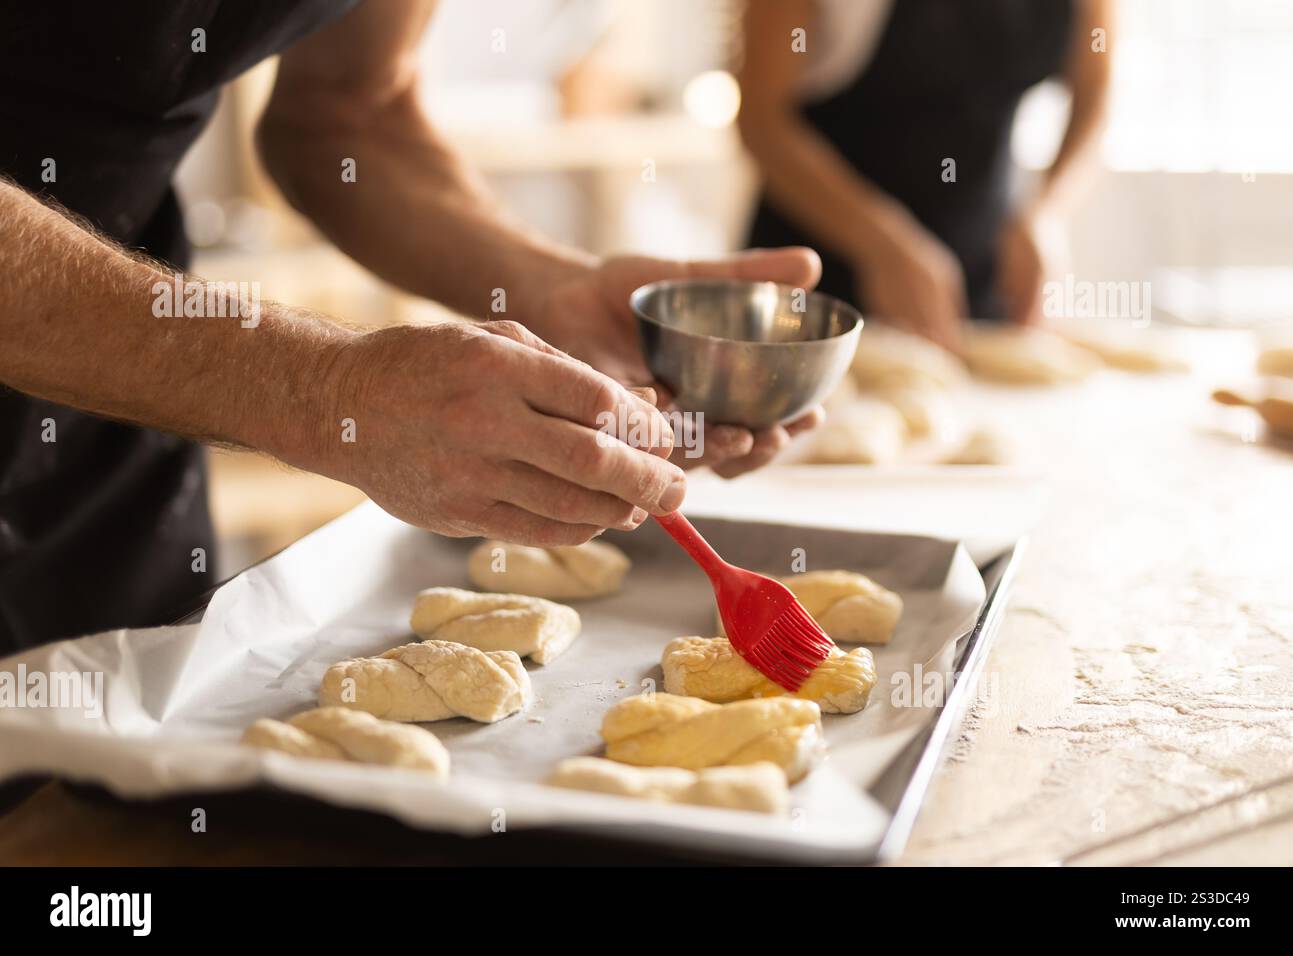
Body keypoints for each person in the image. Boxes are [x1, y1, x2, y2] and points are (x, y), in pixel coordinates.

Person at [0, 0, 823, 652]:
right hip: (95, 321)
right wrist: (325, 390)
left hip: (120, 401)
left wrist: (554, 291)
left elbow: (348, 116)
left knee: (109, 806)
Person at [738, 0, 1112, 347]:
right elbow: (762, 119)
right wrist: (879, 242)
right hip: (814, 282)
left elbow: (1095, 89)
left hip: (981, 271)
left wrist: (1045, 215)